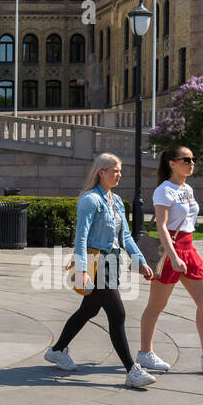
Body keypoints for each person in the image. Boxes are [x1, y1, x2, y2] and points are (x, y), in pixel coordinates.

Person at [44, 153, 159, 388]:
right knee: (118, 314)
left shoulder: (116, 201)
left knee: (89, 309)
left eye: (120, 170)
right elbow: (81, 238)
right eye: (115, 170)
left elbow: (125, 236)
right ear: (101, 172)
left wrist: (141, 261)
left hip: (112, 260)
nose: (119, 174)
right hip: (97, 261)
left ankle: (57, 350)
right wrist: (82, 270)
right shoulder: (90, 200)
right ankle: (132, 370)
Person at [137, 146, 203, 373]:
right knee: (156, 305)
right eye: (186, 159)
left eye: (194, 158)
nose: (192, 162)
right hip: (170, 251)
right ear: (172, 163)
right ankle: (145, 353)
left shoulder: (187, 188)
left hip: (189, 248)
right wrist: (173, 256)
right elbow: (162, 226)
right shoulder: (164, 190)